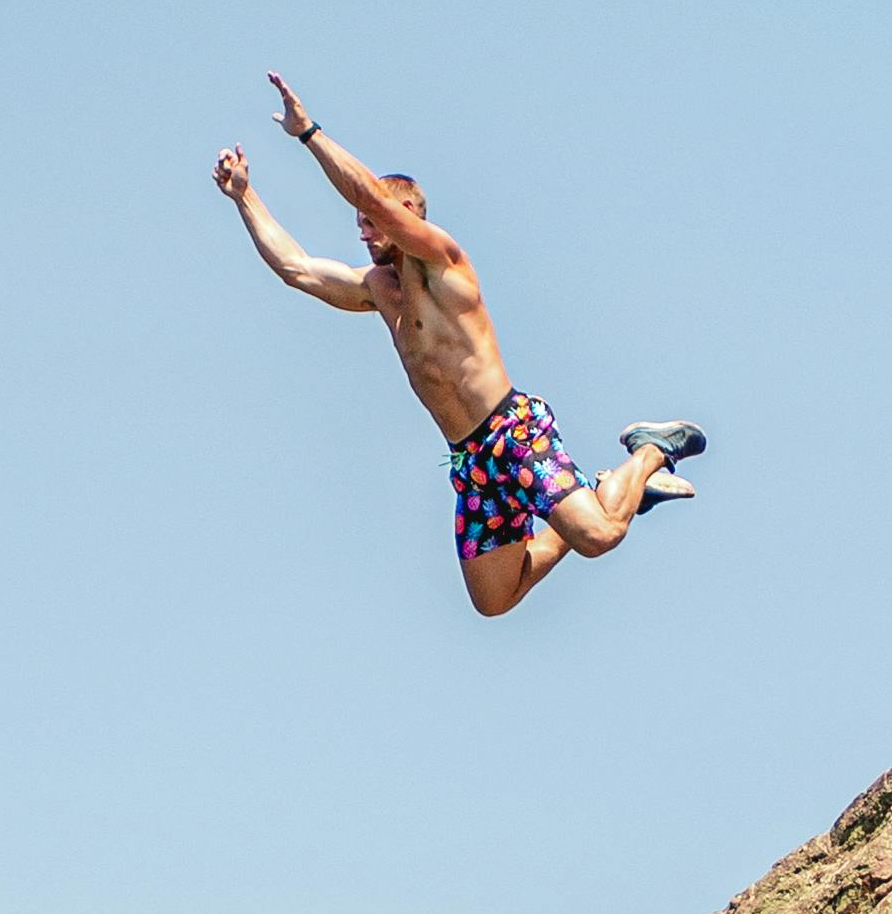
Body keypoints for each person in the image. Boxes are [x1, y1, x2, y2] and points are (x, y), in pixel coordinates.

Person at [214, 74, 704, 620]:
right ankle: (606, 487)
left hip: (512, 432)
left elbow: (369, 196)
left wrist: (309, 134)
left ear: (405, 218)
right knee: (495, 599)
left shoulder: (444, 264)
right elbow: (296, 269)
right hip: (471, 460)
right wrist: (245, 196)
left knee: (599, 536)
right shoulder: (380, 290)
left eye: (372, 226)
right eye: (360, 228)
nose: (364, 235)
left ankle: (648, 453)